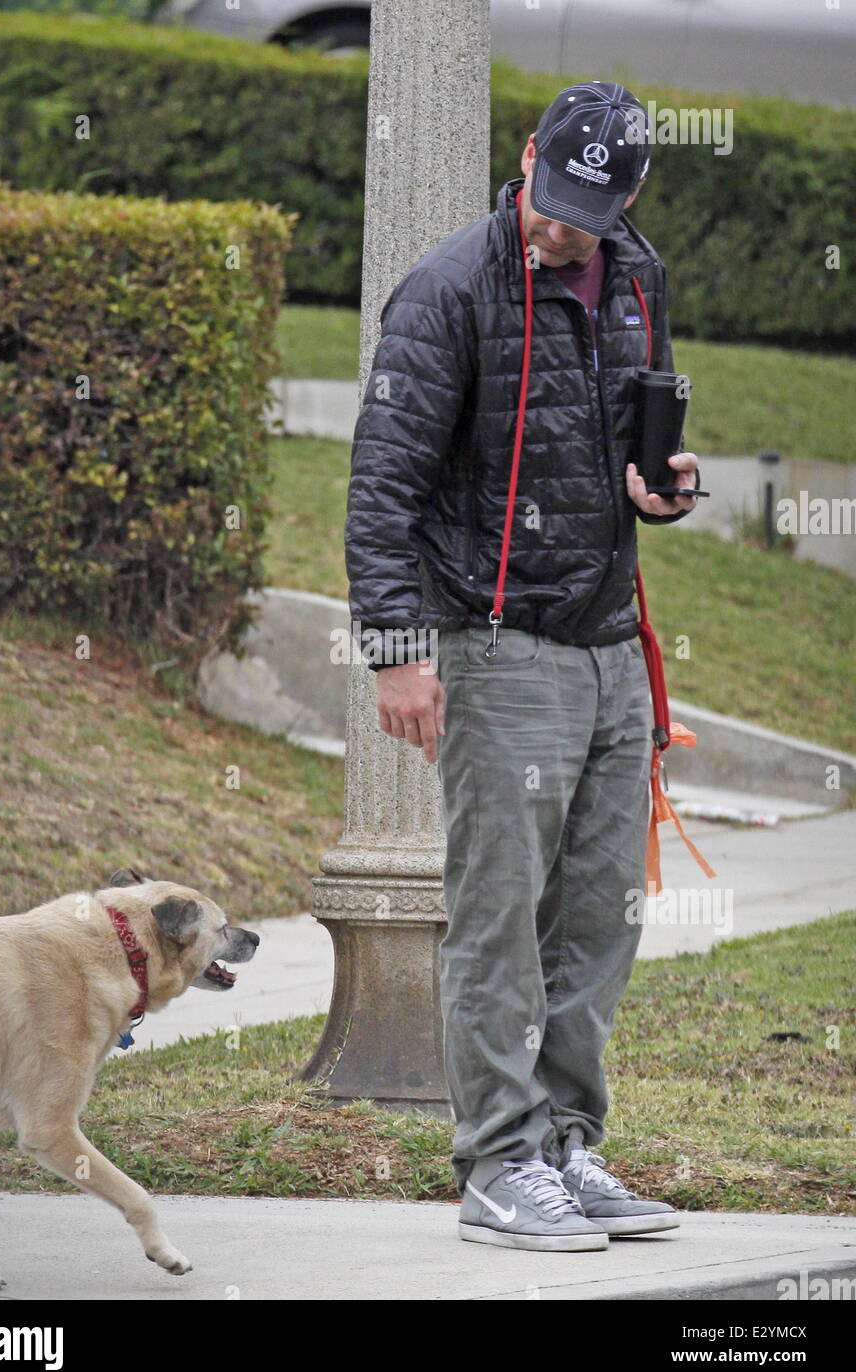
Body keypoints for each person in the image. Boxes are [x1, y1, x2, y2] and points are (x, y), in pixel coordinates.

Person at [345, 82, 701, 1252]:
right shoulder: (451, 287)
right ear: (525, 158)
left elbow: (619, 457)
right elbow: (381, 483)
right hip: (496, 651)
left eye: (586, 211)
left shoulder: (637, 279)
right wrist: (398, 652)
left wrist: (658, 489)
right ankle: (497, 1163)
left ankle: (563, 1142)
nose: (560, 226)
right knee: (498, 917)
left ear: (628, 195)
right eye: (549, 200)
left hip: (609, 648)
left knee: (601, 914)